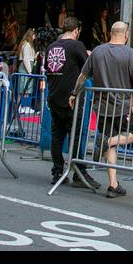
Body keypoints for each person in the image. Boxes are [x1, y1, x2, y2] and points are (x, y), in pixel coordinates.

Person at [83, 21, 133, 197]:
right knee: (132, 135)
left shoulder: (97, 51)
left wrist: (74, 93)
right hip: (123, 106)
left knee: (112, 141)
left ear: (111, 33)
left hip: (102, 106)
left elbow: (83, 75)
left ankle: (113, 184)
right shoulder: (129, 52)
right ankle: (106, 143)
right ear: (125, 35)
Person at [43, 16, 98, 190]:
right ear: (76, 30)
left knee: (57, 135)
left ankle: (58, 171)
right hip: (71, 97)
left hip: (53, 95)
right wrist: (88, 55)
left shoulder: (52, 47)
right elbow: (87, 67)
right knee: (76, 134)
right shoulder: (76, 45)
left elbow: (48, 68)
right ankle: (78, 172)